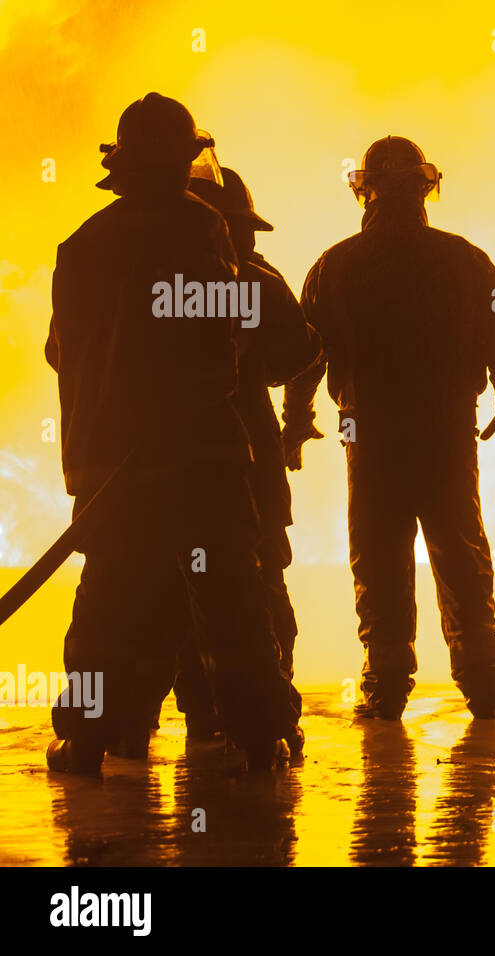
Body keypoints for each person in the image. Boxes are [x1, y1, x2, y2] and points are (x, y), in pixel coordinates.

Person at [44, 93, 300, 773]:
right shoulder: (199, 227)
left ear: (122, 167)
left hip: (112, 472)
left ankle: (89, 739)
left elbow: (60, 353)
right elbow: (218, 340)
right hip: (201, 463)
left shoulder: (82, 245)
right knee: (231, 602)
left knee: (109, 608)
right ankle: (259, 736)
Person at [285, 135, 495, 721]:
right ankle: (484, 685)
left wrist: (295, 421)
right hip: (446, 430)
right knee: (460, 549)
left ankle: (387, 685)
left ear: (364, 190)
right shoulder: (465, 259)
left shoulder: (334, 265)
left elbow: (303, 350)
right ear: (426, 188)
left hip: (366, 433)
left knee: (378, 552)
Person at [173, 166, 322, 744]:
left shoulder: (151, 277)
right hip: (249, 462)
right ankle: (265, 715)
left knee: (176, 588)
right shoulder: (257, 282)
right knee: (258, 586)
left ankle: (197, 714)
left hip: (162, 462)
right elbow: (301, 353)